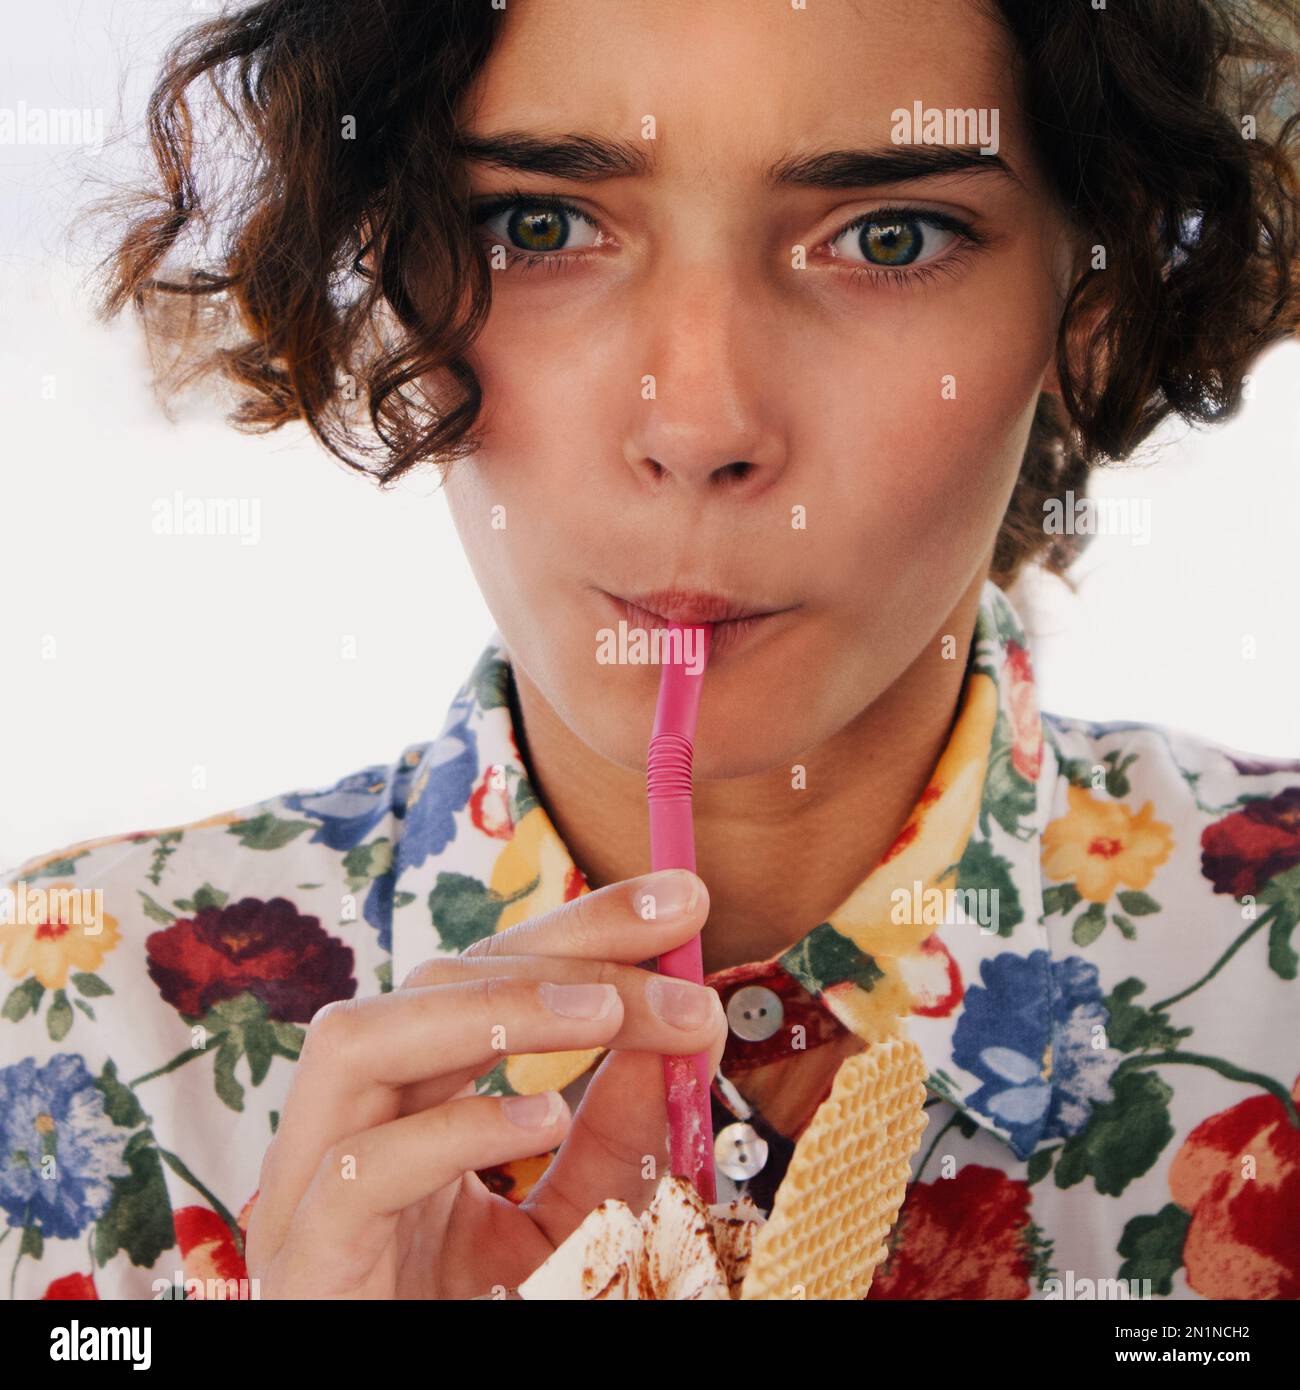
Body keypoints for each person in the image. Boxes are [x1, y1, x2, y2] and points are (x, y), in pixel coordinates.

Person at [3, 0, 1300, 1301]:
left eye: (888, 236)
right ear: (385, 263)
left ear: (1096, 286)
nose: (699, 422)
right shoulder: (67, 1021)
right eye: (541, 225)